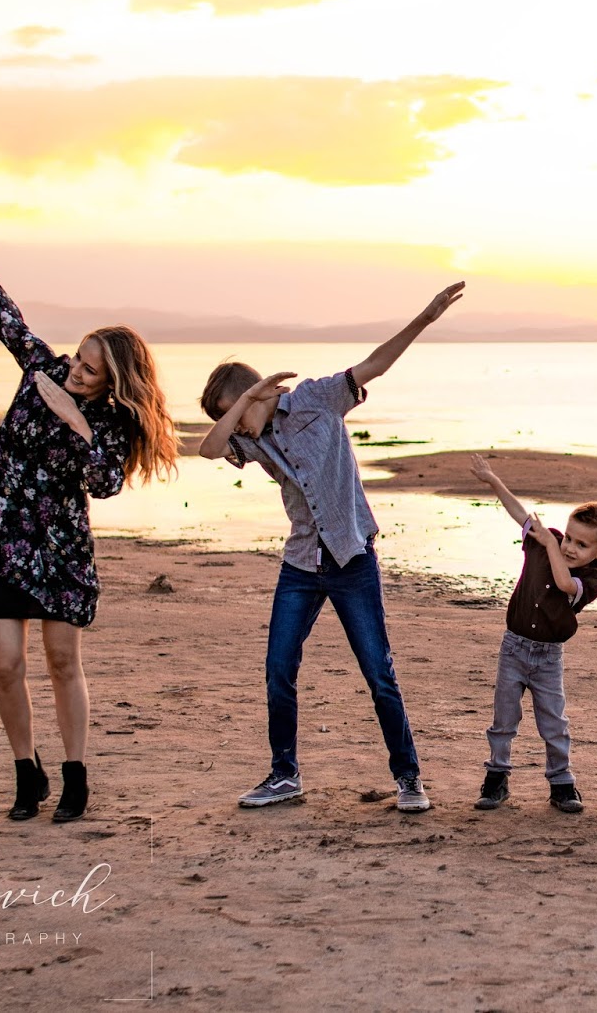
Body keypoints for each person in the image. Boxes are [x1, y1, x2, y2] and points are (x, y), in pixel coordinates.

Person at [0, 198, 180, 823]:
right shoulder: (40, 369)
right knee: (6, 666)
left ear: (113, 381)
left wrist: (76, 421)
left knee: (62, 663)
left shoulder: (109, 422)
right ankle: (25, 771)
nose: (77, 371)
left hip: (61, 550)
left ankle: (75, 776)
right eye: (79, 359)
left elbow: (105, 483)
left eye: (91, 369)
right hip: (6, 541)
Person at [197, 279, 465, 814]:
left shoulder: (318, 399)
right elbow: (207, 448)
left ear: (266, 394)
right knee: (279, 670)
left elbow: (375, 365)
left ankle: (409, 778)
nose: (239, 424)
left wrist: (425, 318)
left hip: (351, 558)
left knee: (378, 674)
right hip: (300, 564)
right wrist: (246, 402)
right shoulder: (251, 440)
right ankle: (284, 776)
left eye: (242, 408)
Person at [467, 454, 597, 813]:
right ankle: (496, 778)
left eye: (582, 545)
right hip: (513, 648)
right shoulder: (546, 540)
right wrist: (492, 479)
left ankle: (562, 783)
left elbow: (565, 584)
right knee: (504, 718)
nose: (570, 547)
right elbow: (519, 513)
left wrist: (550, 545)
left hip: (548, 657)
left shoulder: (594, 577)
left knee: (553, 722)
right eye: (569, 538)